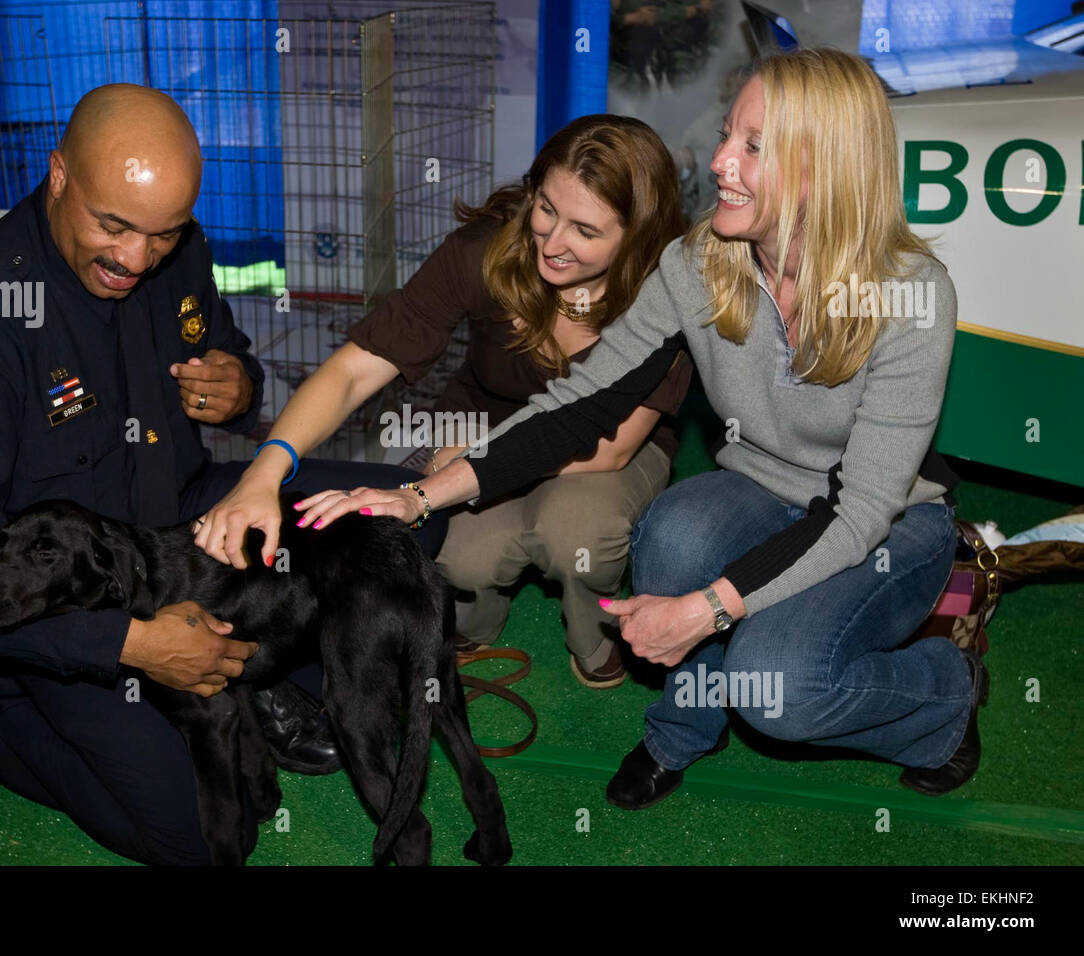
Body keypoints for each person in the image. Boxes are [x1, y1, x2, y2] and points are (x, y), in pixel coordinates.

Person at [290, 49, 985, 804]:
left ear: (830, 168)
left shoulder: (912, 297)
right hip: (760, 484)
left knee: (777, 692)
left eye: (753, 146)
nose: (719, 160)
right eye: (727, 134)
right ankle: (681, 731)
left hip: (887, 522)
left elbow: (857, 512)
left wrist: (706, 608)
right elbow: (581, 402)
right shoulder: (700, 263)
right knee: (673, 534)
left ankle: (945, 693)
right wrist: (422, 497)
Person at [0, 84, 446, 865]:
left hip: (181, 528)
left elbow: (227, 352)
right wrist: (131, 643)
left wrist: (237, 387)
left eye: (163, 233)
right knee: (209, 833)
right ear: (57, 176)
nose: (137, 259)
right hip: (65, 593)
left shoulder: (176, 245)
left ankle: (253, 671)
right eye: (113, 226)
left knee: (397, 525)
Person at [193, 114, 693, 688]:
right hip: (488, 419)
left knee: (574, 535)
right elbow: (355, 370)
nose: (551, 243)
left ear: (638, 235)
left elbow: (611, 448)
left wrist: (455, 469)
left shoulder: (667, 291)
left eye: (585, 230)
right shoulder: (488, 249)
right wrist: (267, 467)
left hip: (600, 448)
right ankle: (475, 620)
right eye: (547, 209)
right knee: (463, 555)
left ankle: (592, 634)